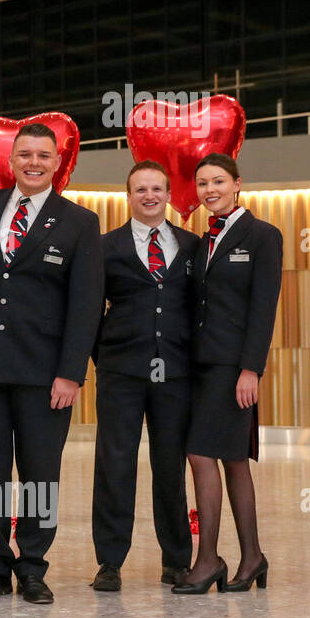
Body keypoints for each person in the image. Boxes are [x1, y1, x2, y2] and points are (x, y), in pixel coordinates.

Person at [0, 123, 103, 605]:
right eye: (25, 154)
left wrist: (71, 372)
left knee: (41, 473)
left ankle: (33, 566)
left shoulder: (80, 222)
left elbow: (86, 304)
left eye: (44, 155)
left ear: (58, 161)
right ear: (12, 160)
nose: (34, 162)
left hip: (47, 376)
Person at [173, 153, 282, 594]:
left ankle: (208, 560)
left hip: (232, 367)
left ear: (238, 184)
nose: (210, 190)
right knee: (233, 460)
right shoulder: (203, 242)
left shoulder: (262, 236)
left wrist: (251, 369)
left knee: (201, 455)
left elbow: (263, 308)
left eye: (218, 181)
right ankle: (252, 556)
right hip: (198, 365)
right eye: (202, 184)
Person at [90, 160, 196, 591]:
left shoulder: (193, 246)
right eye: (140, 189)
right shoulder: (104, 247)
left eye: (156, 188)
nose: (149, 196)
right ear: (128, 196)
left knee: (170, 465)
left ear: (169, 195)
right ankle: (110, 562)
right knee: (114, 464)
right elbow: (87, 310)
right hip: (121, 372)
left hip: (176, 372)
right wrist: (104, 356)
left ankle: (176, 560)